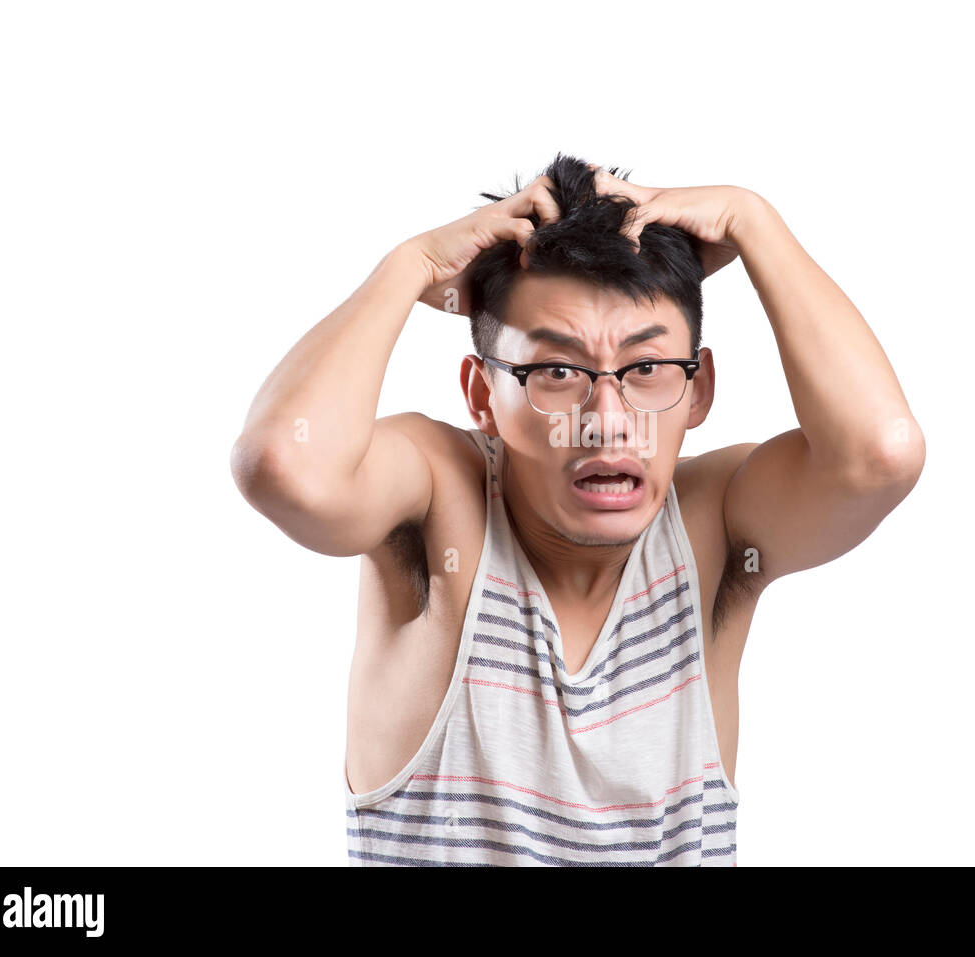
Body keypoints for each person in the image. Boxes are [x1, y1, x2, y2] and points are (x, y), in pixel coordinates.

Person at [229, 153, 925, 865]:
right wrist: (408, 266)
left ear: (699, 388)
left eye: (647, 368)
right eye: (557, 371)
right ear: (480, 395)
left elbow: (881, 453)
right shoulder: (442, 499)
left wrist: (755, 221)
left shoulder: (712, 528)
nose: (607, 420)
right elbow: (285, 461)